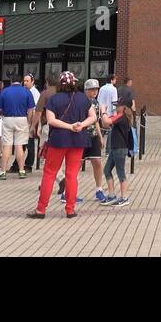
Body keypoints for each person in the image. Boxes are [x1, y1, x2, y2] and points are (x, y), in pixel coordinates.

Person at [30, 71, 97, 219]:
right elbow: (93, 117)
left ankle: (41, 209)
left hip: (58, 140)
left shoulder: (54, 99)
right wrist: (80, 125)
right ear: (75, 83)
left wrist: (69, 126)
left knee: (50, 173)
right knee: (72, 174)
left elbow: (51, 120)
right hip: (78, 140)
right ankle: (70, 209)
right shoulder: (83, 99)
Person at [60, 79, 109, 206]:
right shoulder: (80, 101)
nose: (95, 92)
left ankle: (99, 189)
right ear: (86, 90)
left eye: (96, 89)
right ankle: (68, 192)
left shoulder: (96, 103)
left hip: (93, 136)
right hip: (80, 136)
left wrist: (100, 136)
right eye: (92, 89)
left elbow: (96, 120)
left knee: (97, 162)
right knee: (75, 165)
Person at [0, 77, 35, 180]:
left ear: (11, 81)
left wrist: (3, 114)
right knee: (19, 145)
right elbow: (31, 109)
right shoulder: (26, 92)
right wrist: (29, 121)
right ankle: (21, 171)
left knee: (7, 145)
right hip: (22, 119)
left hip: (8, 118)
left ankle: (3, 171)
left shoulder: (4, 92)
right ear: (21, 82)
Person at [100, 99, 134, 207]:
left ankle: (124, 197)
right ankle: (111, 195)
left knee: (120, 172)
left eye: (117, 106)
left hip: (120, 148)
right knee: (107, 170)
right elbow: (105, 124)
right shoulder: (118, 117)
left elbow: (108, 121)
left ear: (124, 108)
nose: (115, 107)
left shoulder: (122, 116)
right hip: (115, 148)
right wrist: (104, 116)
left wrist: (103, 111)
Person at [22, 73, 42, 172]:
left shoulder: (35, 93)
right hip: (24, 119)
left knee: (30, 143)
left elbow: (35, 109)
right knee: (22, 143)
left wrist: (32, 124)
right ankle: (19, 163)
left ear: (32, 82)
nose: (25, 83)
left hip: (31, 120)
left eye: (27, 81)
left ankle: (29, 164)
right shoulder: (25, 91)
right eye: (24, 81)